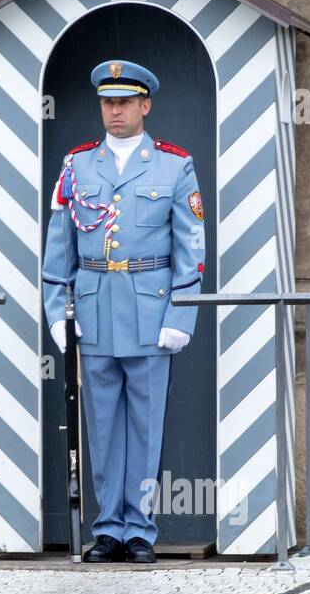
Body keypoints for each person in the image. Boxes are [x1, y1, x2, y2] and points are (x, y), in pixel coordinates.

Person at [41, 59, 206, 563]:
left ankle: (140, 530)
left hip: (150, 311)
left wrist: (182, 316)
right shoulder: (77, 166)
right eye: (108, 102)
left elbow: (191, 247)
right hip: (92, 310)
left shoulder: (174, 165)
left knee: (145, 425)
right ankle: (108, 528)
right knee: (102, 427)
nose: (115, 110)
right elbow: (58, 248)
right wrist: (55, 310)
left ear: (144, 105)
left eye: (125, 102)